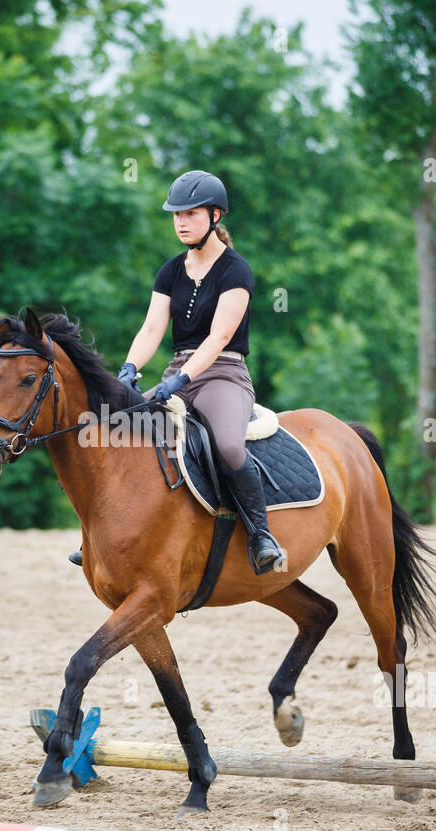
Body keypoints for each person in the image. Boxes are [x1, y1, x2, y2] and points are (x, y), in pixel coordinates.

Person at [69, 169, 285, 575]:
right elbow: (152, 328)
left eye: (191, 214)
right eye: (176, 215)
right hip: (176, 372)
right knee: (118, 430)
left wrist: (181, 379)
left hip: (223, 375)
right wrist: (130, 369)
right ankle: (100, 536)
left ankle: (261, 534)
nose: (181, 222)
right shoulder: (170, 270)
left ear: (215, 216)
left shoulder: (236, 270)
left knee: (229, 446)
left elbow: (220, 337)